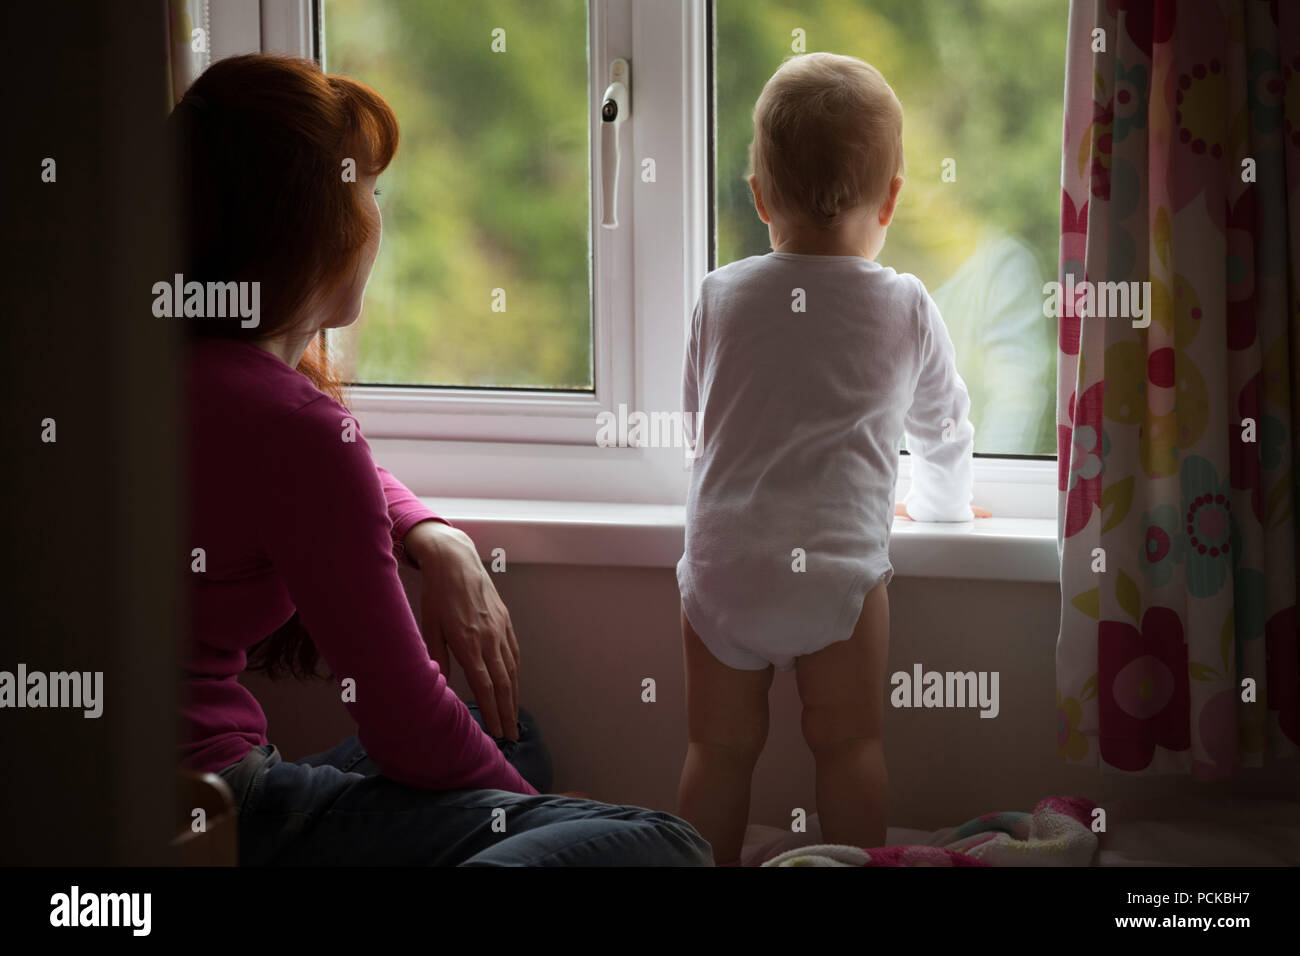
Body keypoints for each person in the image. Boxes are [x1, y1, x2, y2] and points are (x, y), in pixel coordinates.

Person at [174, 53, 710, 866]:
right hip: (223, 809)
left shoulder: (166, 361)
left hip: (149, 790)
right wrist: (551, 825)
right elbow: (408, 730)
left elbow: (284, 477)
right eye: (369, 193)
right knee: (663, 844)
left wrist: (430, 529)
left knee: (509, 733)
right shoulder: (296, 426)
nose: (377, 218)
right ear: (318, 224)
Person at [676, 52, 987, 865]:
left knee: (716, 752)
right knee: (848, 749)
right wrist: (943, 507)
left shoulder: (717, 295)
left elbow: (697, 423)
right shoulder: (904, 304)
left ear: (758, 195)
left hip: (724, 567)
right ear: (891, 199)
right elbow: (945, 427)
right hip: (839, 577)